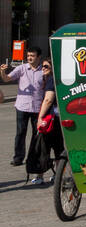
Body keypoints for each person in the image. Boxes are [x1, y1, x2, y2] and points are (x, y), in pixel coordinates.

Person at [1, 46, 46, 178]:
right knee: (20, 132)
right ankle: (18, 158)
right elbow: (7, 79)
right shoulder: (21, 68)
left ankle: (32, 157)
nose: (29, 58)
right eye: (28, 56)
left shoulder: (44, 70)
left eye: (32, 56)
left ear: (38, 57)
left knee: (36, 135)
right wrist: (2, 72)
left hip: (38, 107)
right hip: (22, 106)